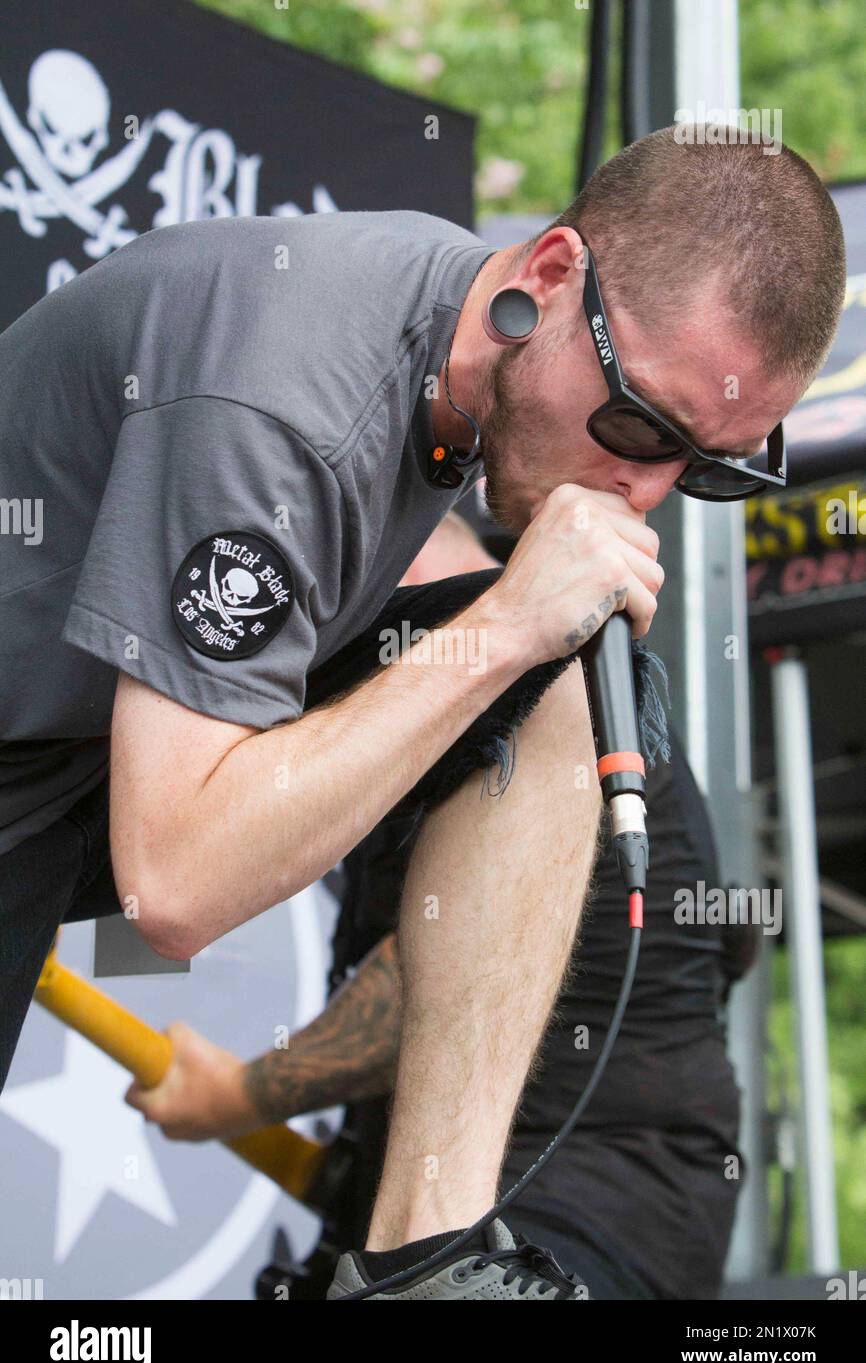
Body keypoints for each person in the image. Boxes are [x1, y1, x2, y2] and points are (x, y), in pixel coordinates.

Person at [0, 125, 844, 1299]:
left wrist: (514, 639)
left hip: (62, 771)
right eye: (639, 427)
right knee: (526, 640)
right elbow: (173, 889)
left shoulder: (453, 339)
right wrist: (501, 623)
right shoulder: (284, 395)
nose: (642, 493)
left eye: (703, 469)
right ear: (548, 276)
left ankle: (424, 1263)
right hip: (33, 781)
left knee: (550, 666)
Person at [128, 514, 753, 1301]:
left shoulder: (545, 679)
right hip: (443, 1213)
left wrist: (238, 1096)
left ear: (399, 557)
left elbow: (431, 976)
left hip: (594, 1192)